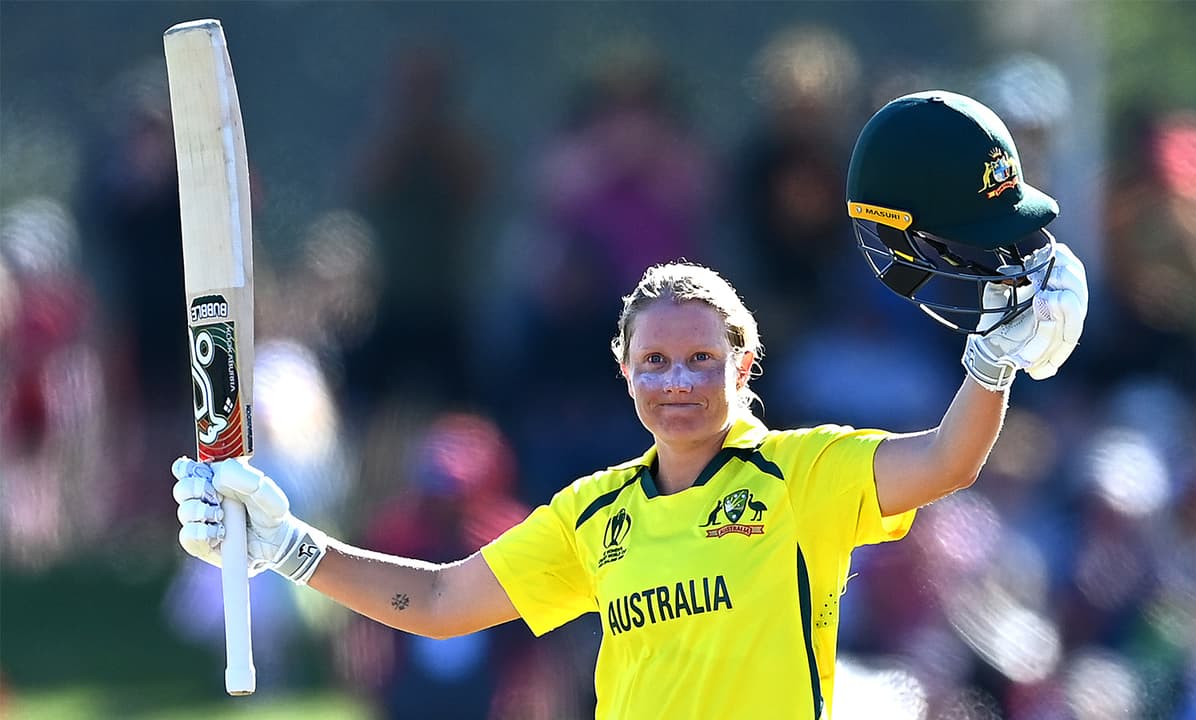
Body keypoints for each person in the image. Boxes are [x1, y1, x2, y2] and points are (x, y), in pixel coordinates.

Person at [171, 90, 1088, 719]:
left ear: (745, 364)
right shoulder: (593, 514)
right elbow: (442, 599)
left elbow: (947, 461)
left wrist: (993, 361)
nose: (678, 381)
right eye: (654, 362)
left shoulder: (805, 475)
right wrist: (287, 547)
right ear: (624, 373)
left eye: (700, 358)